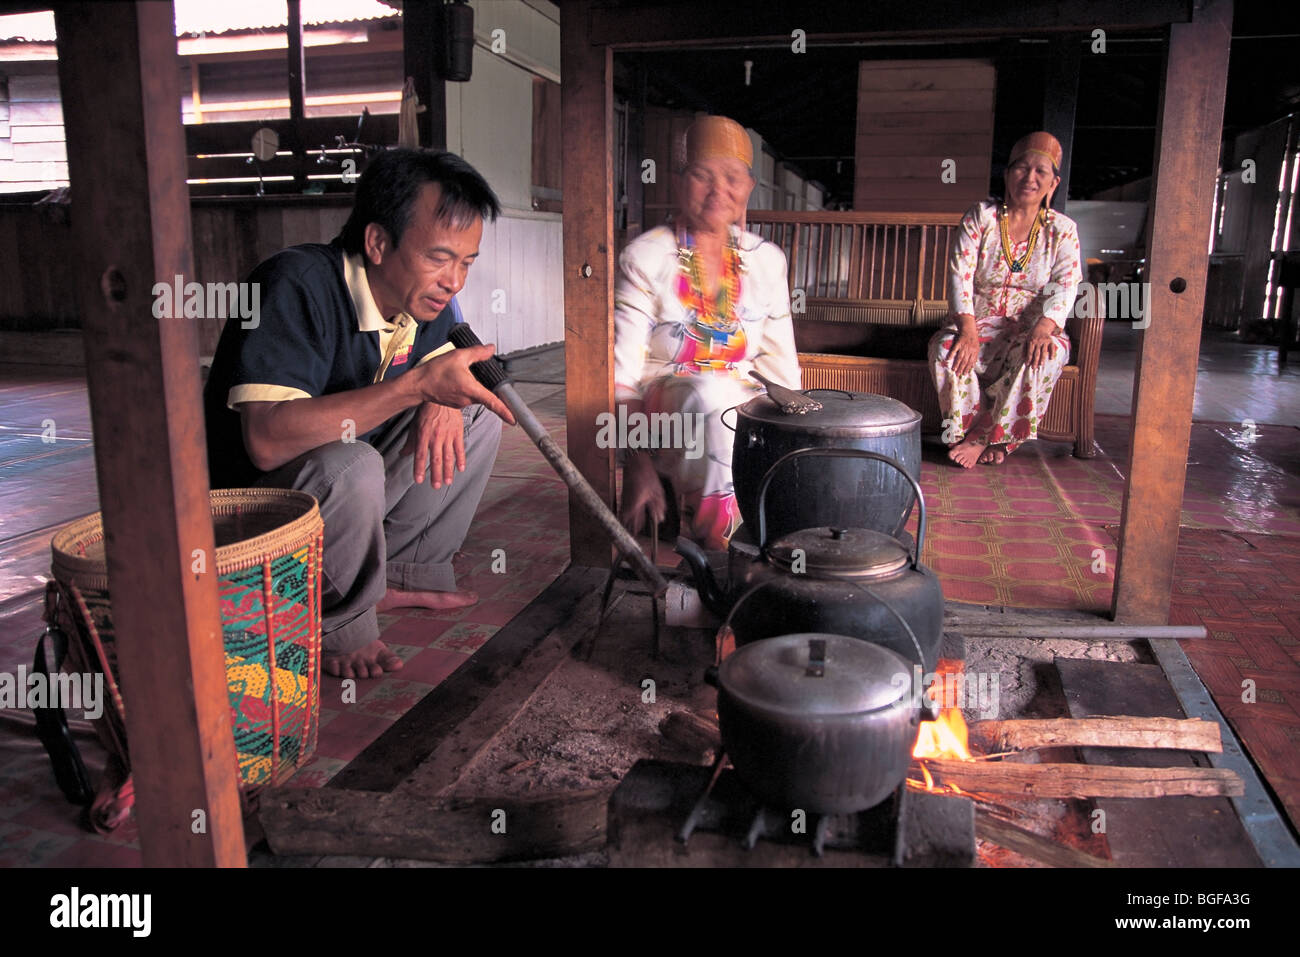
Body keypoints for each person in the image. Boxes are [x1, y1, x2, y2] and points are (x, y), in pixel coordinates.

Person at [203, 149, 516, 679]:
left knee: (477, 411)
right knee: (351, 463)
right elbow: (266, 442)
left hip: (329, 507)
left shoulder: (417, 301)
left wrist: (438, 396)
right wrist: (418, 387)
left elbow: (451, 363)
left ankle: (400, 575)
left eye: (466, 263)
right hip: (250, 517)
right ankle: (339, 622)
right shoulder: (294, 285)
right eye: (439, 258)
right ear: (377, 242)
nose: (454, 281)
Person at [614, 115, 801, 550]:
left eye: (733, 178)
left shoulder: (767, 260)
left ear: (750, 187)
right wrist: (636, 462)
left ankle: (774, 550)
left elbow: (781, 364)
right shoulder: (645, 257)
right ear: (679, 182)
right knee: (712, 399)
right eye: (703, 176)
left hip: (743, 395)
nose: (720, 191)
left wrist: (800, 431)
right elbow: (621, 374)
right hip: (666, 403)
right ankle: (721, 559)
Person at [928, 131, 1083, 468]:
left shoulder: (1063, 230)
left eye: (1041, 172)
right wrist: (967, 331)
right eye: (1022, 168)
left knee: (1045, 352)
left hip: (1034, 327)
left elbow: (1067, 283)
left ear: (1053, 184)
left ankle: (987, 439)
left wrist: (1044, 328)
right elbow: (960, 274)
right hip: (977, 323)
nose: (1030, 178)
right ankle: (969, 435)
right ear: (1007, 175)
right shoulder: (980, 216)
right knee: (946, 350)